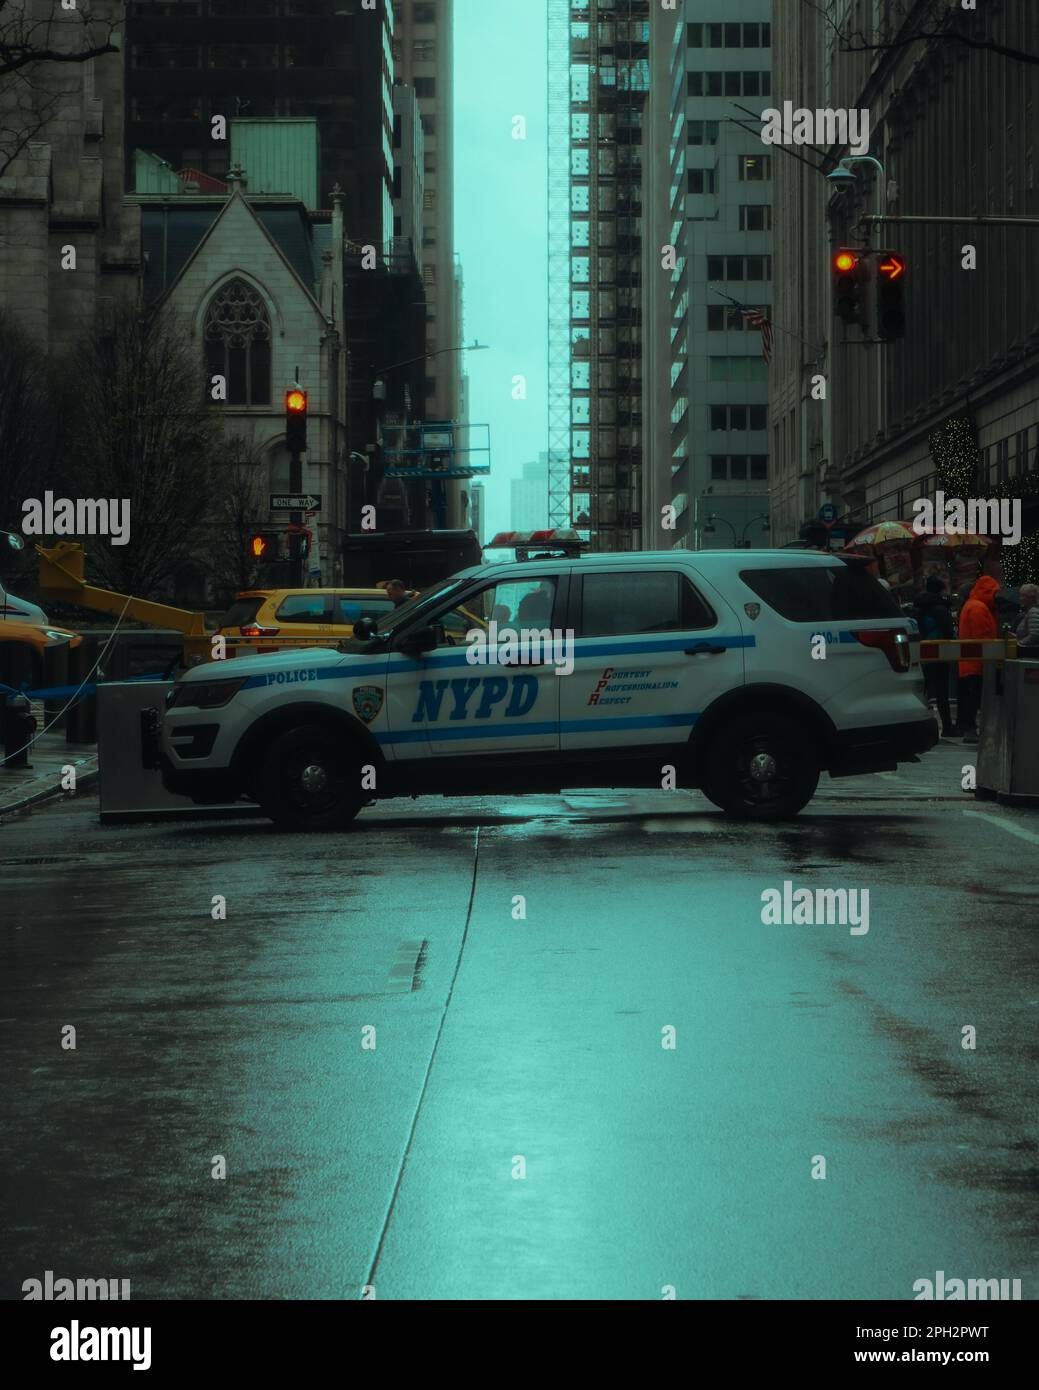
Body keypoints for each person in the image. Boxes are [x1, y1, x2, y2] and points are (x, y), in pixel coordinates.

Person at [957, 574, 1000, 742]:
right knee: (973, 699)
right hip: (976, 662)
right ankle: (969, 729)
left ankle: (967, 727)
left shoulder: (975, 605)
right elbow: (983, 637)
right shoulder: (979, 608)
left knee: (970, 698)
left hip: (970, 662)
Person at [913, 576, 958, 737]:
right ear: (940, 589)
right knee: (942, 691)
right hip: (940, 651)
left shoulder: (918, 607)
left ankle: (918, 725)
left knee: (924, 690)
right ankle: (947, 726)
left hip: (923, 651)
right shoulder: (940, 608)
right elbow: (947, 631)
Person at [1015, 583, 1039, 649]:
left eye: (1023, 596)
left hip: (1030, 654)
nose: (1020, 598)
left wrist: (1019, 643)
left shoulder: (1033, 611)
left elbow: (1035, 635)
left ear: (1031, 597)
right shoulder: (1031, 611)